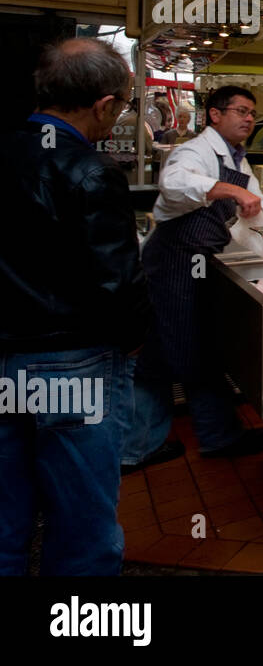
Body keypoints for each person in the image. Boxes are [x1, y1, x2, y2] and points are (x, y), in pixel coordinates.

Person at [0, 38, 150, 575]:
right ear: (104, 104)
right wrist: (135, 339)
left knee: (6, 520)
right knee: (83, 529)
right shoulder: (89, 170)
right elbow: (115, 284)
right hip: (74, 364)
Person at [123, 85, 263, 468]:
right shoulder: (195, 151)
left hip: (199, 263)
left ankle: (142, 445)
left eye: (252, 112)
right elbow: (172, 186)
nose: (249, 118)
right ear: (214, 115)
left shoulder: (238, 159)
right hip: (174, 262)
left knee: (167, 352)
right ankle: (209, 438)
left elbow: (261, 213)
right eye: (240, 110)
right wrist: (224, 191)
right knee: (189, 352)